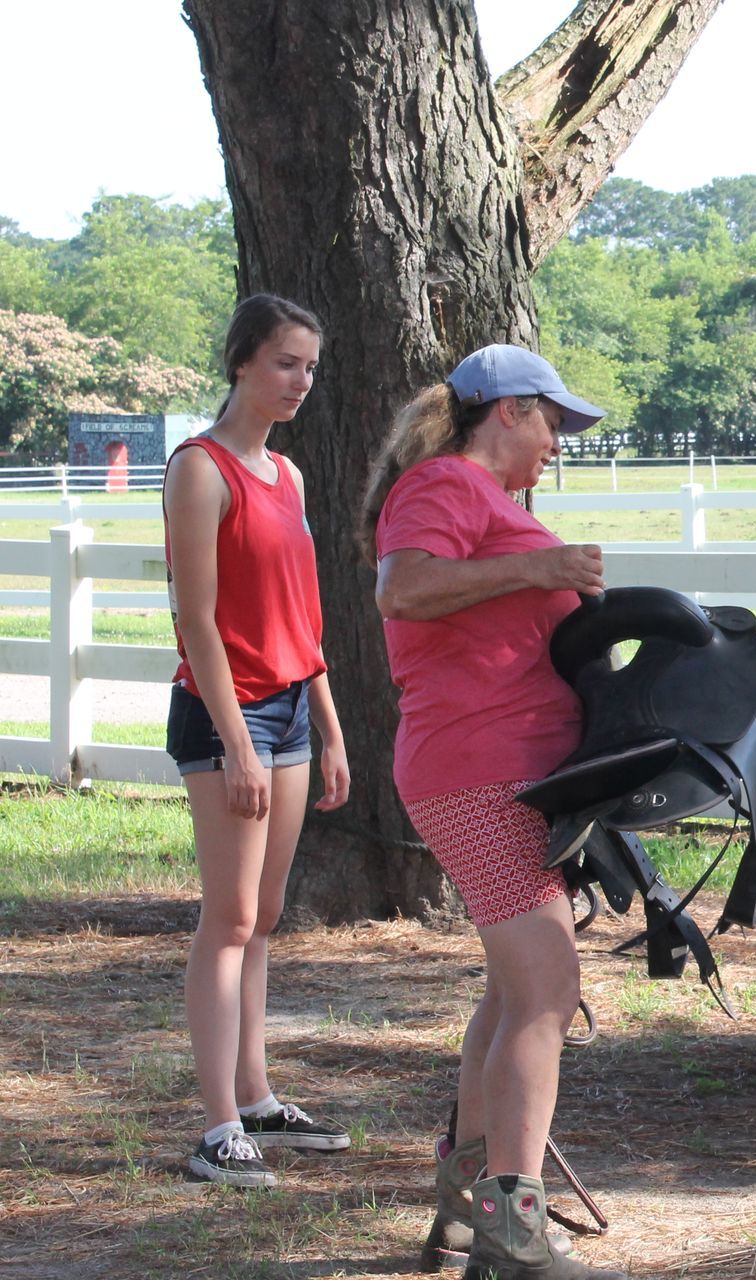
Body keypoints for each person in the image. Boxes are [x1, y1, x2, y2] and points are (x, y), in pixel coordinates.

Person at [362, 342, 625, 1280]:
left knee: (516, 992)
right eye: (553, 421)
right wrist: (540, 566)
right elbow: (403, 587)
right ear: (508, 409)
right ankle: (514, 1227)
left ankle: (471, 1198)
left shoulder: (494, 504)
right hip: (477, 768)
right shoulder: (444, 483)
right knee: (547, 991)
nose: (558, 441)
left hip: (505, 771)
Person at [165, 293, 352, 1189]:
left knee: (266, 916)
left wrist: (332, 730)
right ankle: (217, 1128)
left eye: (310, 367)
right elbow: (196, 621)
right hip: (223, 712)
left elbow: (303, 621)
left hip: (290, 709)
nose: (300, 381)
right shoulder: (200, 469)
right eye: (285, 362)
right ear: (241, 361)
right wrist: (237, 743)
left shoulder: (289, 476)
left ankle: (258, 1095)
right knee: (230, 918)